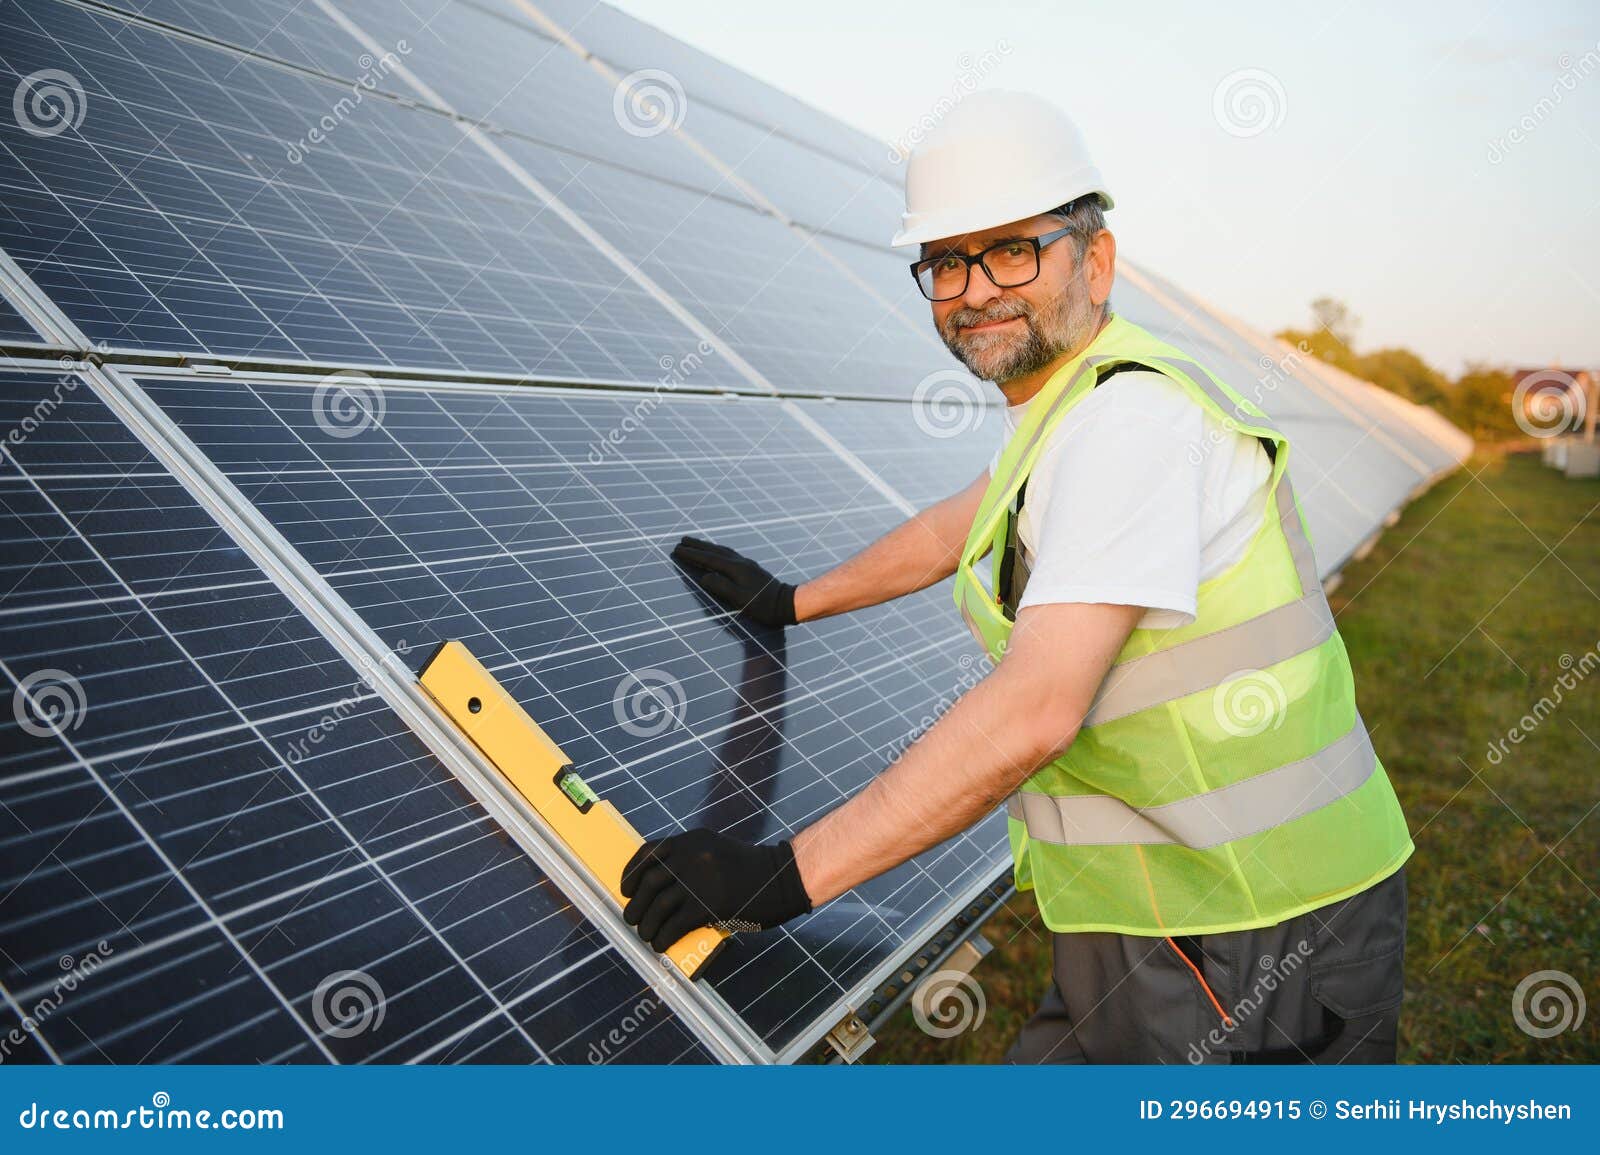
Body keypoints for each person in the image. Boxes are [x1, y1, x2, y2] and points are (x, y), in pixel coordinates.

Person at [621, 90, 1412, 1063]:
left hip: (1256, 926)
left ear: (1095, 260)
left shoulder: (1134, 425)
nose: (975, 289)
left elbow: (1036, 708)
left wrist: (784, 877)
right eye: (948, 261)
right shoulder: (1076, 406)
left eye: (1011, 251)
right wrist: (794, 599)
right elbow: (963, 521)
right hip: (1163, 909)